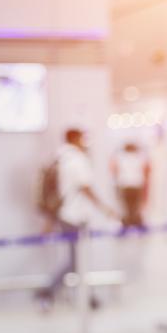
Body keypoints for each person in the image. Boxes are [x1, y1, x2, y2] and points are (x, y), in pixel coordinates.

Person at [37, 128, 117, 308]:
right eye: (83, 138)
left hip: (65, 214)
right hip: (74, 216)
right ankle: (49, 291)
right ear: (75, 139)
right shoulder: (77, 160)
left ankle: (86, 297)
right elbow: (85, 188)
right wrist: (105, 209)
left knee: (78, 259)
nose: (85, 142)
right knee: (77, 260)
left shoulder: (61, 158)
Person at [111, 142, 150, 231]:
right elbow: (146, 169)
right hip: (136, 184)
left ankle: (129, 223)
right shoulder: (140, 157)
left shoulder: (120, 157)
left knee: (127, 206)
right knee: (135, 206)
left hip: (125, 184)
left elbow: (114, 170)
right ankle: (133, 222)